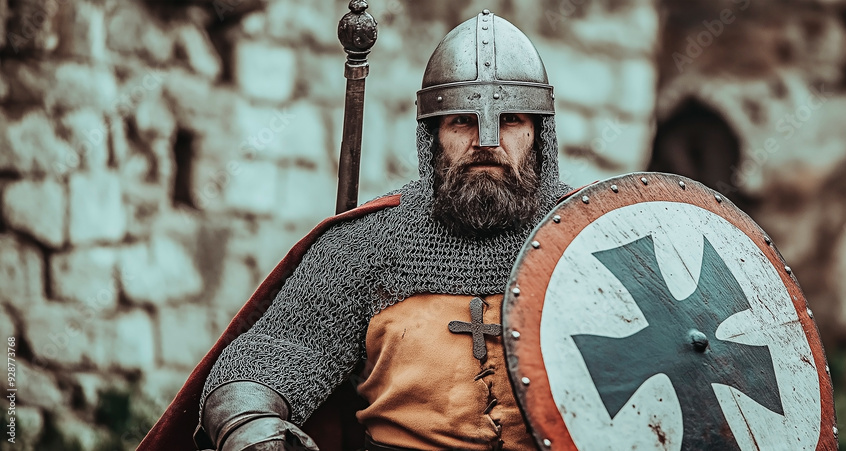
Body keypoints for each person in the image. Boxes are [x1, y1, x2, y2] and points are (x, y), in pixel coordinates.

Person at [139, 10, 573, 451]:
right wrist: (252, 428)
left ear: (540, 135)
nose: (486, 140)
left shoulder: (583, 238)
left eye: (512, 120)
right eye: (463, 121)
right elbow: (266, 359)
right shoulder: (366, 244)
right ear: (432, 134)